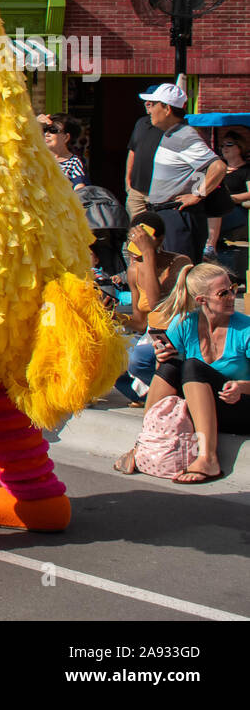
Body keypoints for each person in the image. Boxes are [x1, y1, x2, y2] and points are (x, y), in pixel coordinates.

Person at [114, 263, 250, 483]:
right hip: (200, 408)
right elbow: (165, 376)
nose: (233, 295)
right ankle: (145, 443)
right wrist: (161, 360)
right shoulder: (185, 323)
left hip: (240, 407)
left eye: (233, 288)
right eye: (223, 292)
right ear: (201, 301)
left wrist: (241, 387)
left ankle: (208, 458)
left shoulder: (246, 329)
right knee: (172, 364)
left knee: (192, 366)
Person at [133, 83, 226, 263]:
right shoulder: (172, 134)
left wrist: (197, 195)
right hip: (167, 215)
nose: (149, 109)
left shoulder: (185, 136)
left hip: (178, 216)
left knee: (180, 271)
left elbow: (218, 167)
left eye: (153, 104)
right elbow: (201, 169)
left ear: (167, 108)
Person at [113, 211, 191, 404]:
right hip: (149, 334)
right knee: (112, 361)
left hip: (175, 334)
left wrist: (148, 254)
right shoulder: (133, 271)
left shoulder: (180, 263)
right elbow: (140, 323)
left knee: (137, 358)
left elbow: (156, 303)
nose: (137, 246)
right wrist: (112, 315)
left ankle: (175, 397)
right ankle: (157, 398)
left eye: (143, 240)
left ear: (159, 240)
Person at [207, 128, 248, 276]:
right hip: (218, 209)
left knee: (215, 208)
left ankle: (210, 246)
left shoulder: (245, 170)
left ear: (239, 147)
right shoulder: (219, 168)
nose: (224, 148)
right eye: (222, 146)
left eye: (229, 144)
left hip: (236, 209)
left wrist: (233, 198)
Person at [125, 111, 164, 219]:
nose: (148, 103)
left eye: (153, 102)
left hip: (161, 195)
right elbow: (133, 150)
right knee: (137, 232)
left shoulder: (179, 130)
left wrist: (196, 194)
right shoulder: (141, 123)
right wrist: (128, 180)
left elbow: (203, 165)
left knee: (159, 233)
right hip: (136, 192)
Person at [38, 113, 88, 190]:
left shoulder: (74, 163)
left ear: (66, 137)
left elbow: (80, 190)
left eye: (53, 130)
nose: (47, 134)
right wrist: (33, 123)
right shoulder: (35, 157)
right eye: (45, 130)